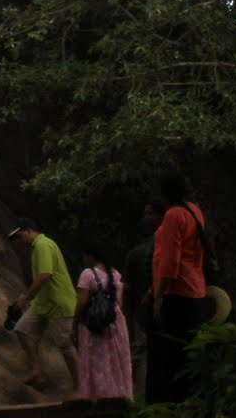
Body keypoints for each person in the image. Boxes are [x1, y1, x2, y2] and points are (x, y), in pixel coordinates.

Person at [144, 172, 209, 405]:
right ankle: (194, 398)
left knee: (170, 351)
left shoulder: (173, 215)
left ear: (164, 194)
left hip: (177, 292)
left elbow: (170, 261)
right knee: (190, 349)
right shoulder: (194, 211)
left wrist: (158, 297)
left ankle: (170, 403)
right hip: (196, 288)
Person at [7, 217, 79, 389]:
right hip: (44, 302)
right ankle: (37, 370)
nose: (19, 241)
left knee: (66, 346)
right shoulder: (37, 247)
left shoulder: (43, 245)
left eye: (20, 236)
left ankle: (82, 388)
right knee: (23, 329)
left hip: (60, 301)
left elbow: (44, 275)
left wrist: (26, 298)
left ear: (29, 230)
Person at [72, 235, 134, 402]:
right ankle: (120, 397)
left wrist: (75, 324)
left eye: (85, 255)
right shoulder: (117, 275)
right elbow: (119, 304)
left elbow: (82, 301)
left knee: (97, 363)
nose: (84, 259)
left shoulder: (87, 274)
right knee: (116, 362)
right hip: (115, 322)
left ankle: (97, 398)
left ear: (91, 256)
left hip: (94, 324)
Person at [123, 196, 165, 387]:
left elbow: (127, 287)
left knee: (141, 352)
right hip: (162, 306)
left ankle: (142, 397)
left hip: (145, 309)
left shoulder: (137, 253)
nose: (145, 217)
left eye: (149, 213)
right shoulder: (165, 248)